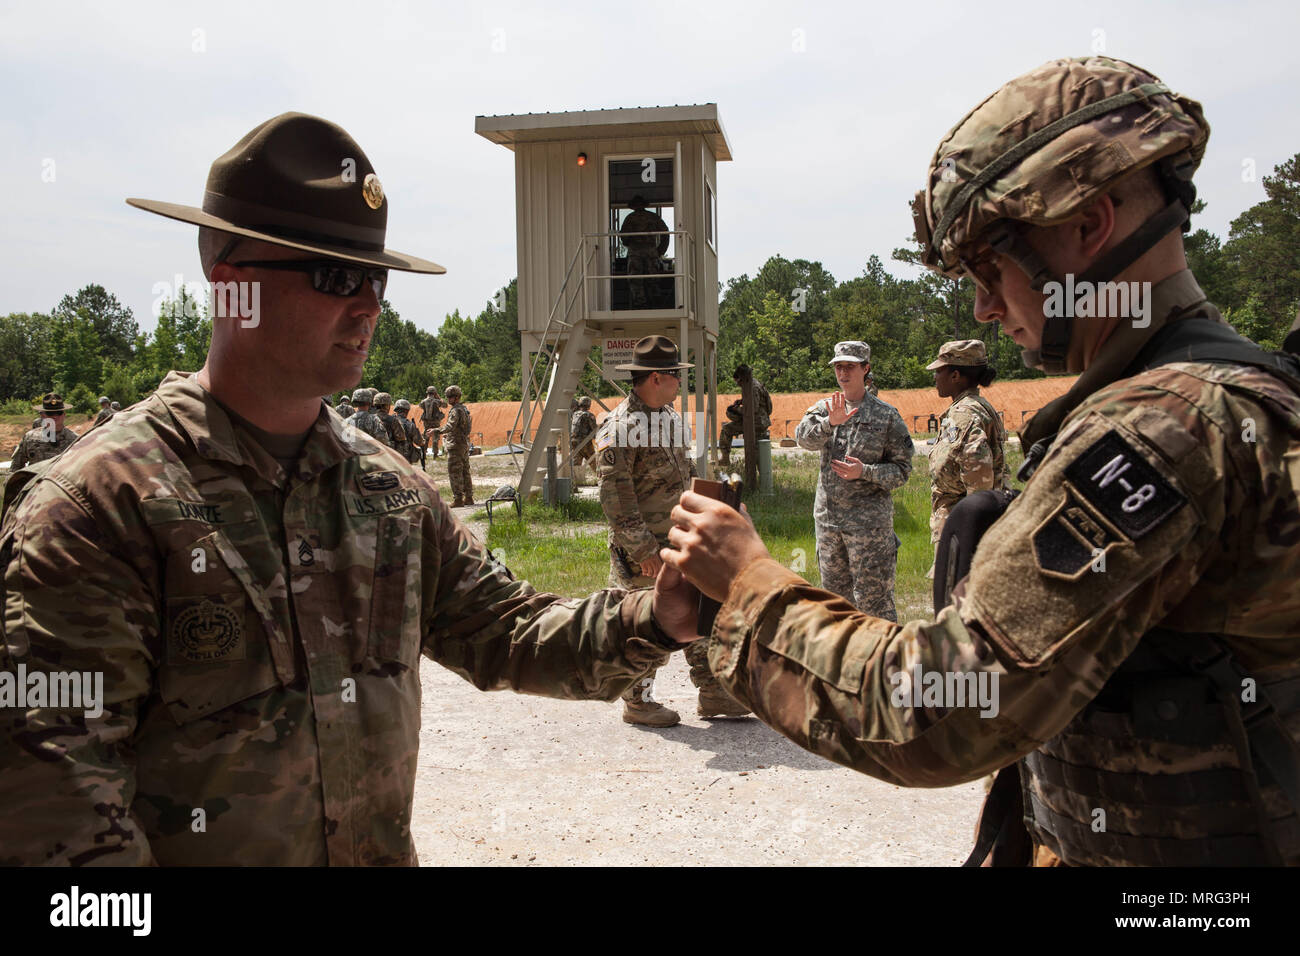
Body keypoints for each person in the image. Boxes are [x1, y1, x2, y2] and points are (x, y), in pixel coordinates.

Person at [0, 111, 700, 866]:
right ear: (233, 283)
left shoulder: (386, 490)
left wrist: (658, 617)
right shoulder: (100, 509)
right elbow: (56, 824)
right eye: (334, 276)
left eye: (376, 278)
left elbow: (507, 634)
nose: (368, 306)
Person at [662, 57, 1300, 867]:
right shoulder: (1237, 386)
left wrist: (747, 583)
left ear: (1089, 224)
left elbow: (932, 711)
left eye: (990, 268)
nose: (985, 308)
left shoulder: (1161, 429)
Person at [594, 335, 750, 726]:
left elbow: (687, 475)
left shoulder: (670, 419)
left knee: (699, 611)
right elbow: (616, 496)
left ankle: (713, 691)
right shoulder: (619, 427)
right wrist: (642, 549)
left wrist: (712, 509)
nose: (681, 383)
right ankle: (638, 700)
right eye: (676, 376)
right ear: (657, 378)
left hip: (680, 539)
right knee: (647, 622)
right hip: (646, 550)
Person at [795, 341, 914, 621]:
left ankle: (884, 662)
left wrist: (866, 472)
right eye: (839, 366)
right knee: (836, 605)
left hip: (869, 528)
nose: (843, 372)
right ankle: (844, 662)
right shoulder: (825, 409)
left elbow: (902, 471)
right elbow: (803, 438)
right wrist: (830, 423)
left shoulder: (886, 416)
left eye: (850, 366)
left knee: (875, 605)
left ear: (866, 368)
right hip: (829, 523)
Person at [925, 339, 1010, 586]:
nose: (935, 377)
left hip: (963, 524)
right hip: (967, 521)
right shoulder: (977, 407)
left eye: (938, 371)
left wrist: (971, 523)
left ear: (955, 375)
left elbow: (978, 471)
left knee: (956, 596)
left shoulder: (965, 414)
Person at [717, 364, 772, 468]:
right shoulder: (753, 383)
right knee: (757, 455)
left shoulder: (752, 387)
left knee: (727, 429)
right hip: (759, 421)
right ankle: (763, 479)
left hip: (756, 422)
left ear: (742, 379)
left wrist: (736, 409)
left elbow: (753, 409)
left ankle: (725, 459)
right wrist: (741, 401)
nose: (738, 385)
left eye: (738, 382)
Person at [620, 196, 669, 309]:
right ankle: (654, 302)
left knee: (635, 278)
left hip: (636, 252)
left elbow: (624, 237)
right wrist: (660, 250)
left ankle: (640, 303)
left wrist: (630, 244)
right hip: (650, 252)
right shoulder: (653, 217)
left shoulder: (630, 218)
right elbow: (665, 232)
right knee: (652, 277)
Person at [9, 392, 80, 470]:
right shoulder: (29, 438)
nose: (55, 416)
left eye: (58, 412)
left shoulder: (75, 440)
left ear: (64, 414)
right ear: (43, 415)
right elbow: (15, 469)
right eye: (50, 413)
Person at [441, 384, 474, 507]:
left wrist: (437, 430)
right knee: (465, 471)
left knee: (455, 472)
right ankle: (469, 497)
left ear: (457, 397)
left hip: (455, 445)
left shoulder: (456, 410)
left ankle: (458, 499)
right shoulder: (464, 409)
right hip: (463, 443)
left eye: (452, 397)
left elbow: (450, 426)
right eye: (448, 397)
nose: (449, 399)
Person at [372, 391, 409, 459]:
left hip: (372, 453)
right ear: (387, 406)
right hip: (389, 454)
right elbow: (401, 437)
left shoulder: (369, 418)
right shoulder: (393, 420)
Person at [569, 396, 598, 477]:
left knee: (576, 463)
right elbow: (594, 430)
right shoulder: (589, 415)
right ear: (588, 404)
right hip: (585, 442)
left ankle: (576, 481)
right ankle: (600, 477)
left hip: (574, 442)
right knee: (593, 460)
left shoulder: (575, 414)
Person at [418, 385, 445, 465]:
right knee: (435, 438)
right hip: (435, 422)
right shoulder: (437, 401)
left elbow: (420, 406)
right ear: (434, 393)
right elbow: (445, 405)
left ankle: (424, 454)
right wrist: (439, 398)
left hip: (426, 422)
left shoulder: (423, 401)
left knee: (425, 438)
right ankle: (435, 455)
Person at [393, 399, 422, 464]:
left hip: (390, 455)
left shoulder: (389, 421)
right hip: (405, 458)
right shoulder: (410, 424)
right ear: (407, 410)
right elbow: (419, 442)